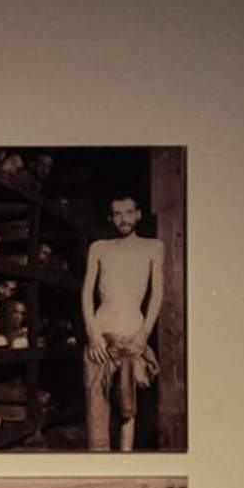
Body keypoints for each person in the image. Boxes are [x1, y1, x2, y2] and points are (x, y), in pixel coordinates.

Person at [79, 190, 164, 452]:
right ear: (110, 217)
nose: (123, 218)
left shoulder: (153, 247)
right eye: (117, 214)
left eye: (128, 212)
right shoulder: (99, 248)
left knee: (128, 410)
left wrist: (143, 335)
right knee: (96, 407)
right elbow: (86, 292)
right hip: (101, 337)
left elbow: (157, 292)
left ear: (138, 215)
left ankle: (125, 461)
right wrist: (92, 335)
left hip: (132, 336)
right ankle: (99, 464)